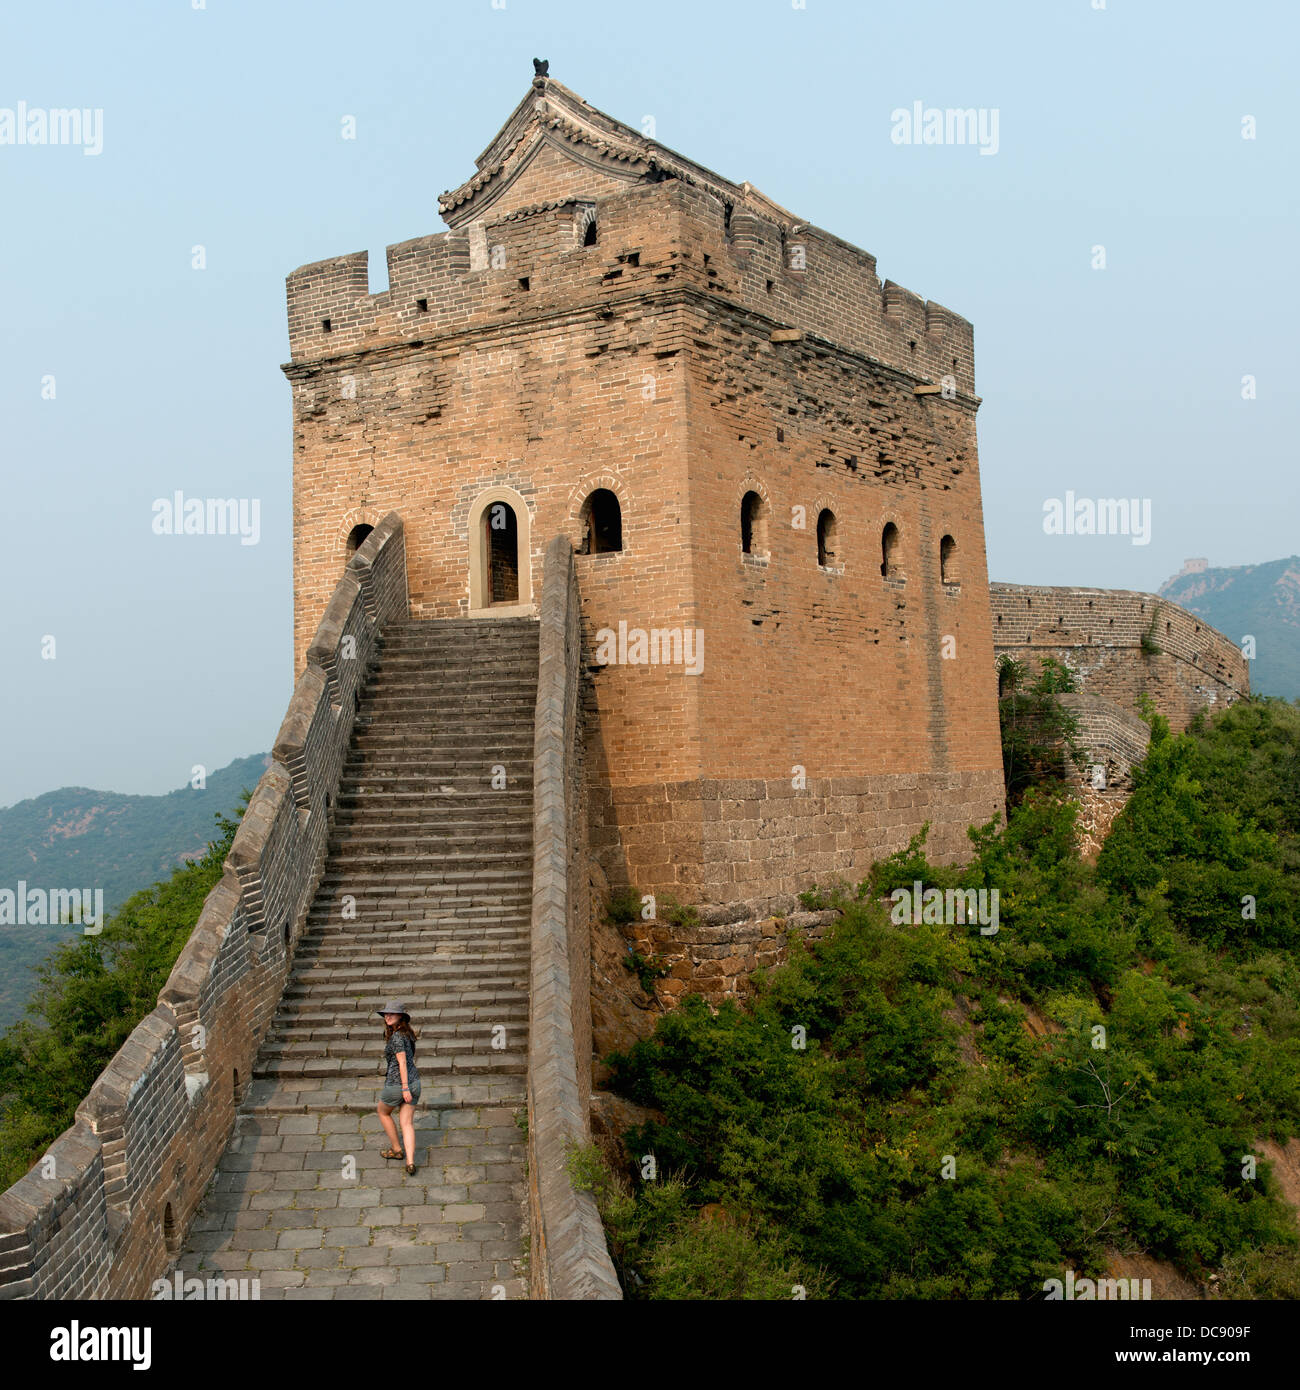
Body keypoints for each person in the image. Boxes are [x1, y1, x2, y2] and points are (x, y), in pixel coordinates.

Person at [375, 1000, 420, 1175]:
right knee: (407, 1123)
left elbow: (402, 1063)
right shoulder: (408, 1034)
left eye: (391, 1013)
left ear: (400, 1016)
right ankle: (410, 1162)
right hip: (415, 1082)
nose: (387, 1016)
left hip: (398, 1085)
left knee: (382, 1112)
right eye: (386, 1014)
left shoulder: (397, 1038)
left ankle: (396, 1149)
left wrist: (404, 1088)